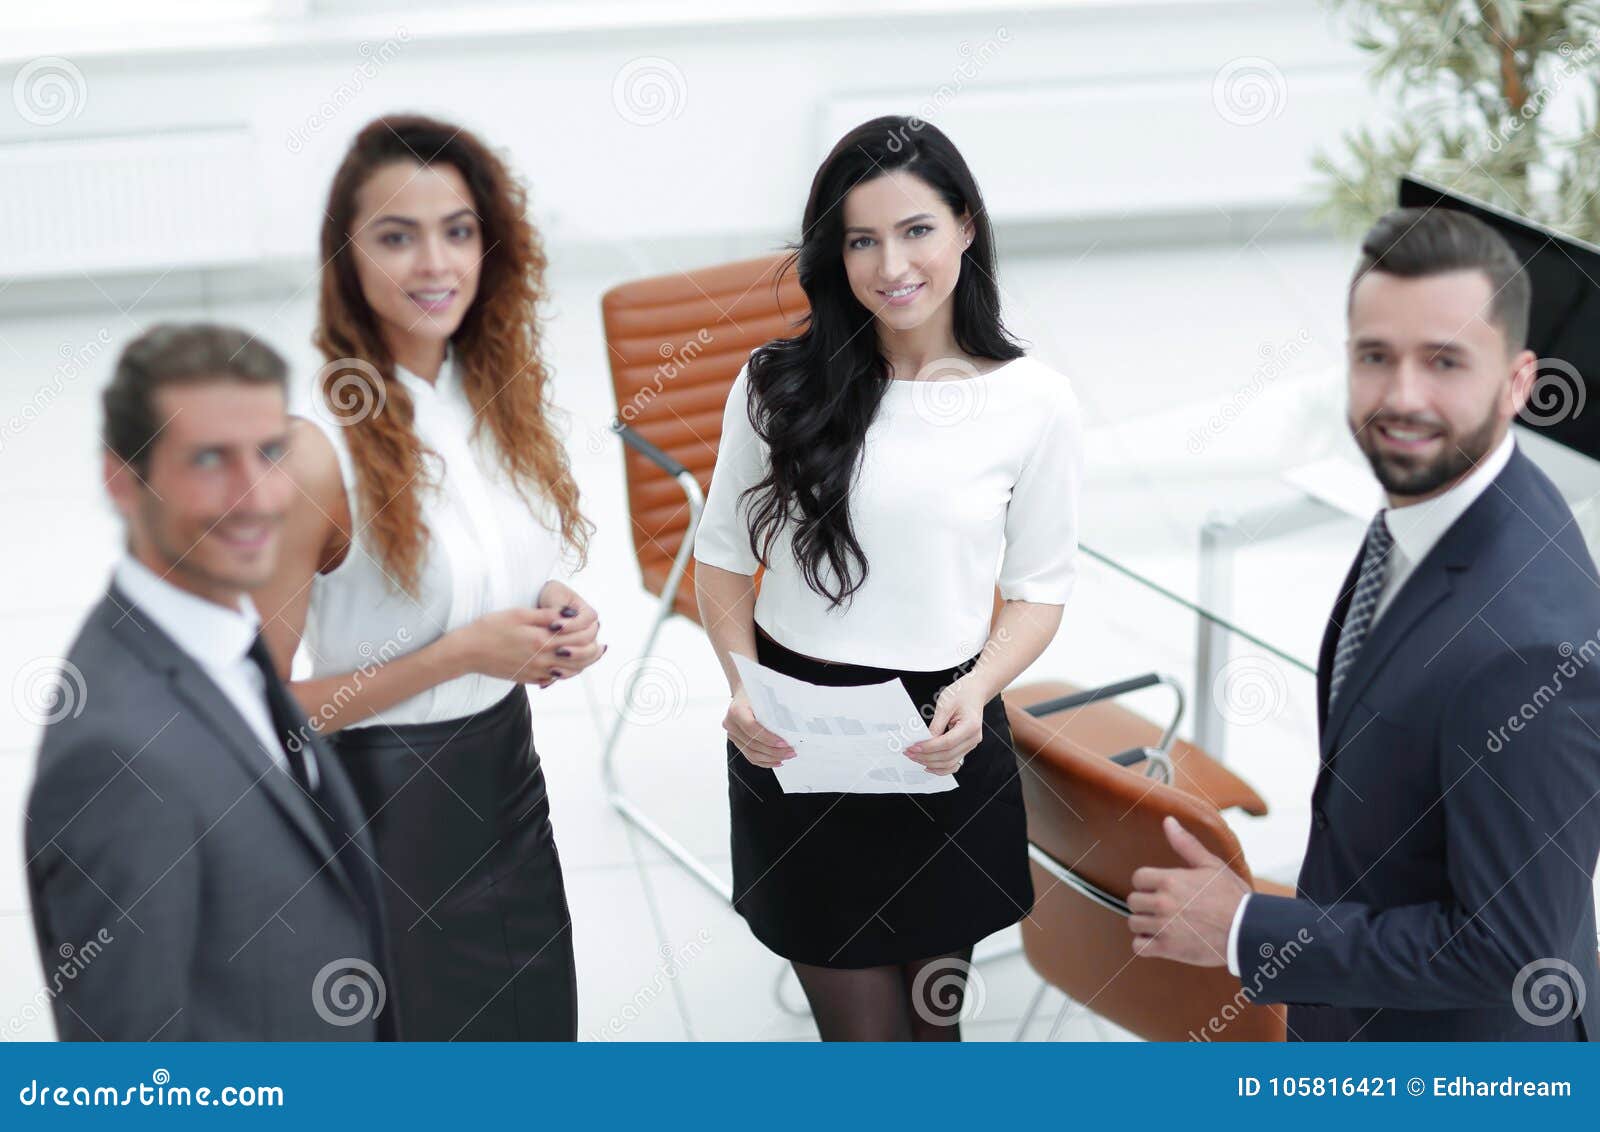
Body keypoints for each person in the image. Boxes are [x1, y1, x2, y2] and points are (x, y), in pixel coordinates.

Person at [1127, 207, 1600, 1041]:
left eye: (1445, 361)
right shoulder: (1427, 512)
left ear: (1519, 383)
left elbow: (1512, 952)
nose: (1402, 395)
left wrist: (1244, 929)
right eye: (1375, 357)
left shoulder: (1527, 648)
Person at [692, 115, 1084, 1041]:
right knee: (865, 1049)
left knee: (933, 1036)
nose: (890, 265)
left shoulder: (1033, 401)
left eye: (915, 230)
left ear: (966, 228)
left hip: (941, 730)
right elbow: (718, 561)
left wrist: (980, 690)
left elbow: (1039, 590)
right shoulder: (777, 384)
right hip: (797, 731)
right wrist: (741, 685)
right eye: (861, 240)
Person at [255, 115, 604, 1041]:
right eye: (395, 236)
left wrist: (554, 611)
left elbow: (497, 571)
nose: (433, 264)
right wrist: (455, 654)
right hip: (387, 814)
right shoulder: (313, 453)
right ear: (347, 257)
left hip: (508, 786)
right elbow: (252, 713)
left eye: (456, 230)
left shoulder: (491, 395)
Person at [25, 324, 393, 1040]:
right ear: (122, 481)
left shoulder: (228, 640)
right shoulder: (117, 758)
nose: (257, 498)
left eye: (271, 452)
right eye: (208, 460)